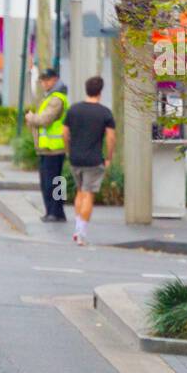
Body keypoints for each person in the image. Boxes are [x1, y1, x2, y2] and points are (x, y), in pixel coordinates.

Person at [63, 75, 116, 246]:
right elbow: (111, 138)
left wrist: (68, 151)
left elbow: (64, 133)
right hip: (94, 160)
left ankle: (77, 228)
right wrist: (109, 157)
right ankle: (81, 233)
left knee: (80, 192)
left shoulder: (73, 110)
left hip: (75, 158)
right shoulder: (105, 113)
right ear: (100, 92)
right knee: (88, 195)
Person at [25, 66, 69, 223]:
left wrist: (31, 118)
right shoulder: (50, 97)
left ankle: (55, 212)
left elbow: (44, 120)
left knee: (53, 182)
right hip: (47, 148)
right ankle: (54, 211)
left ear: (54, 79)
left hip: (54, 148)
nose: (43, 83)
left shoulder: (56, 99)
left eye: (46, 80)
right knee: (52, 181)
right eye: (42, 80)